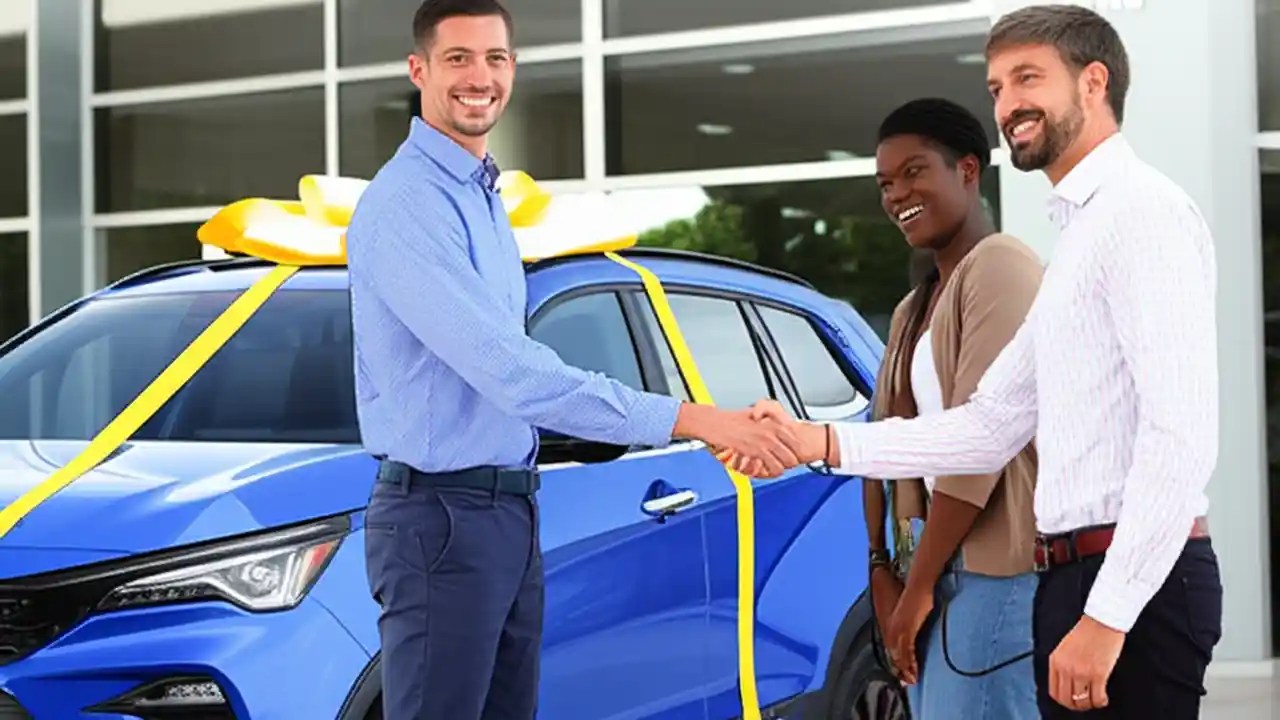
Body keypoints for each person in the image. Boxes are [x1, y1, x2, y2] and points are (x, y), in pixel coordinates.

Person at [741, 5, 1224, 718]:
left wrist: (1108, 616)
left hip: (1130, 582)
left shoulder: (1142, 215)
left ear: (1094, 83)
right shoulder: (1080, 237)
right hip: (1066, 575)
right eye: (996, 87)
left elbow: (1179, 439)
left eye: (1028, 78)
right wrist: (820, 441)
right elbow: (989, 423)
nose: (1007, 104)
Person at [344, 1, 798, 718]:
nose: (479, 77)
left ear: (513, 69)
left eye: (495, 58)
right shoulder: (407, 205)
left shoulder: (481, 196)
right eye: (457, 58)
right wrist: (699, 420)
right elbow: (510, 371)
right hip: (442, 519)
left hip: (505, 511)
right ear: (418, 69)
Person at [864, 97, 1043, 719]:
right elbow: (886, 442)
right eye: (886, 182)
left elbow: (979, 448)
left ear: (968, 170)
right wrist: (882, 568)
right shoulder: (914, 308)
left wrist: (915, 588)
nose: (896, 194)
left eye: (914, 172)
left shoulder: (1001, 266)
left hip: (992, 572)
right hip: (932, 571)